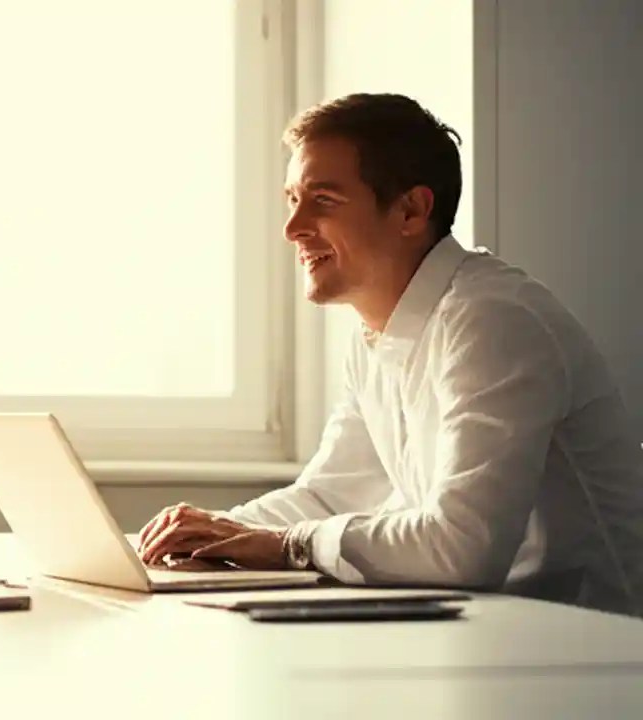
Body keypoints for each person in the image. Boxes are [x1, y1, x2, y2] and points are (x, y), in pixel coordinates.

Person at [135, 92, 643, 617]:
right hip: (500, 632)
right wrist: (188, 538)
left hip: (595, 649)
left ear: (410, 210)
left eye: (323, 200)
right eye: (292, 199)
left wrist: (285, 545)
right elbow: (328, 497)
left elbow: (462, 547)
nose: (293, 228)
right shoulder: (377, 333)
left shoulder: (494, 319)